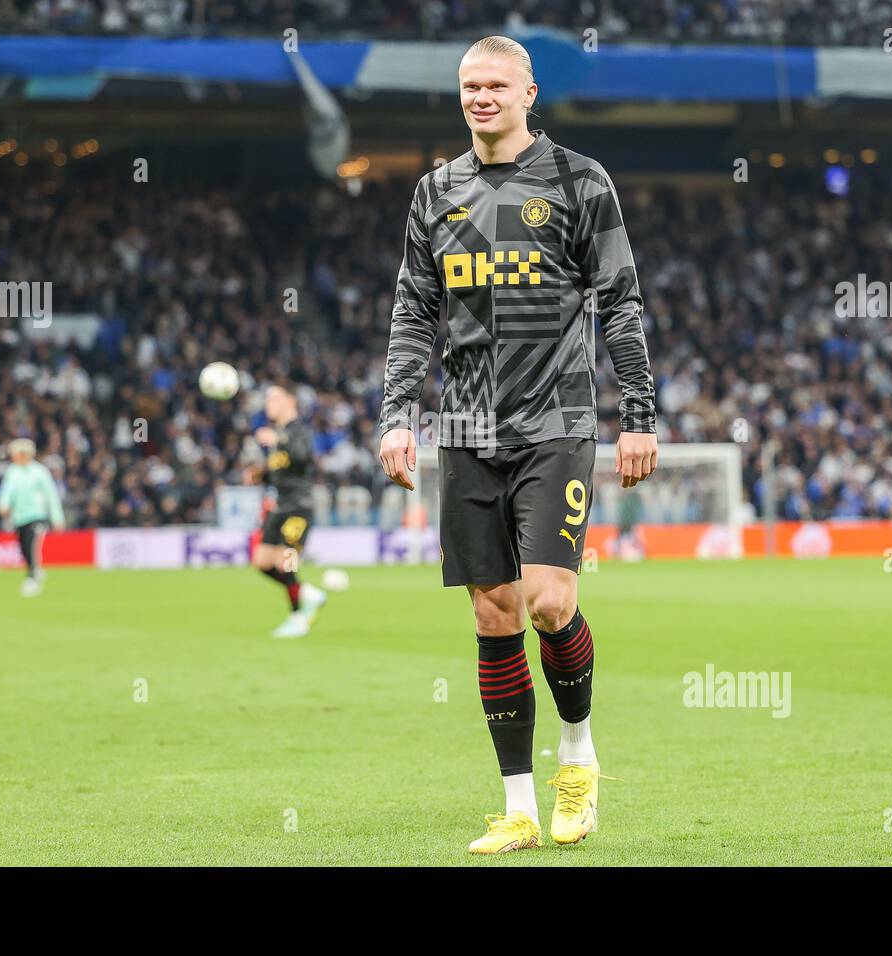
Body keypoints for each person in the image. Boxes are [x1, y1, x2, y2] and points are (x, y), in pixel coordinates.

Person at [377, 36, 659, 853]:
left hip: (557, 424)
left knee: (549, 601)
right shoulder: (435, 192)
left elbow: (622, 303)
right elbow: (411, 311)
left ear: (529, 92)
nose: (481, 96)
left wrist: (638, 413)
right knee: (493, 613)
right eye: (470, 85)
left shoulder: (580, 181)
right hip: (465, 431)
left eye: (497, 83)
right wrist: (398, 414)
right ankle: (519, 808)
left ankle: (578, 757)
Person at [248, 384, 327, 638]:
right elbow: (279, 474)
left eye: (273, 398)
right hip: (279, 506)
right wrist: (260, 475)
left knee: (286, 561)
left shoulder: (299, 430)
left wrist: (278, 440)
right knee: (261, 562)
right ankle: (307, 593)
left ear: (289, 401)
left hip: (299, 507)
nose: (268, 403)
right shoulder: (279, 434)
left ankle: (297, 618)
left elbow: (304, 457)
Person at [0, 438, 64, 597]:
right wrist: (3, 505)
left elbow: (51, 495)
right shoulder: (12, 471)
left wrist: (57, 517)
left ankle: (32, 578)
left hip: (37, 515)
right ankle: (35, 571)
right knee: (24, 548)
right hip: (19, 518)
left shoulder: (40, 472)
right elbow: (7, 491)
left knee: (33, 545)